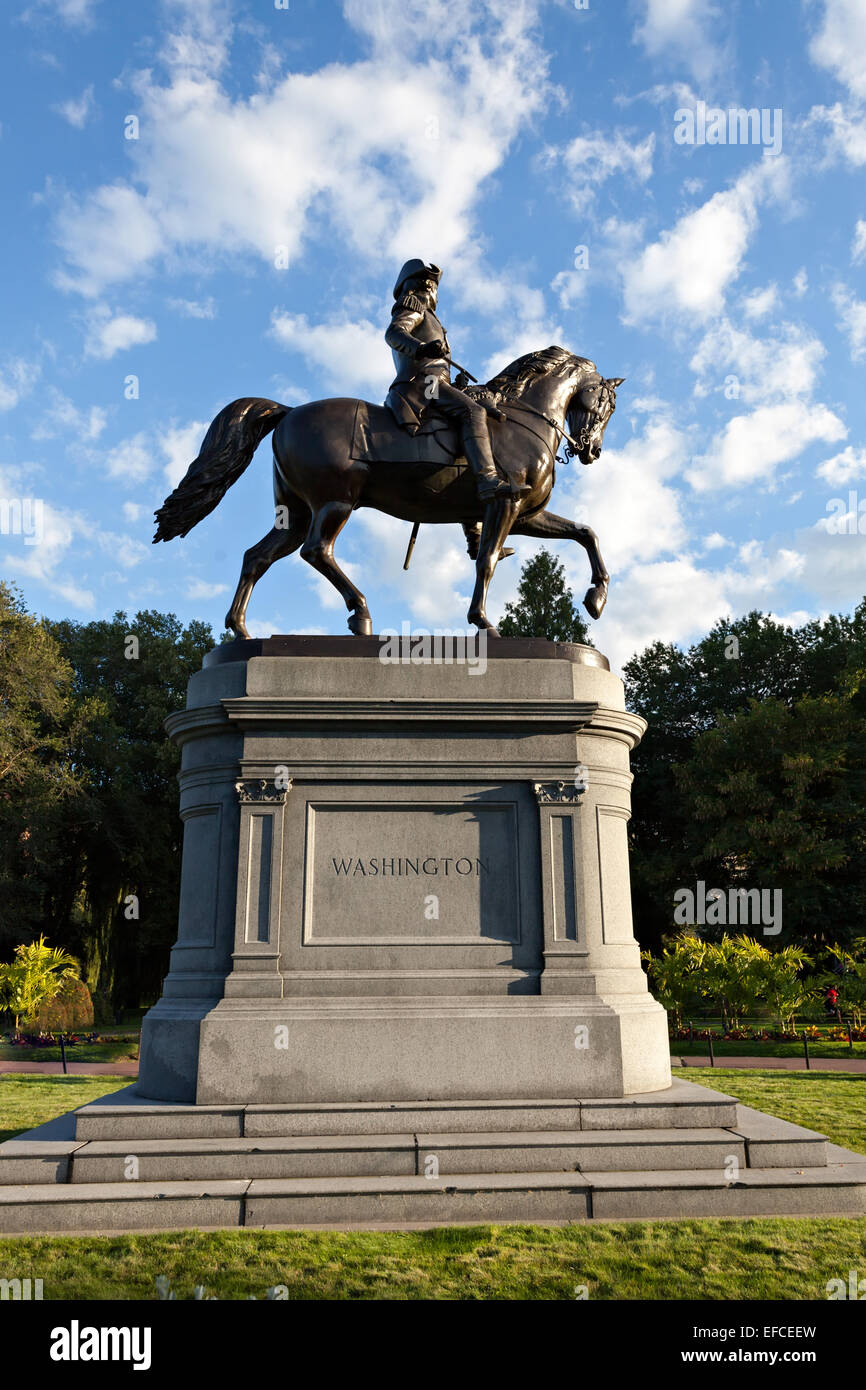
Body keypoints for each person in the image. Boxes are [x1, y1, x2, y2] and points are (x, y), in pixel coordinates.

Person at [384, 259, 527, 502]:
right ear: (413, 287)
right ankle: (487, 480)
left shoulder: (431, 318)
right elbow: (394, 333)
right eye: (426, 284)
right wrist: (422, 348)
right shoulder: (412, 306)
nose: (431, 289)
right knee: (473, 412)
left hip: (435, 383)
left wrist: (456, 385)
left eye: (433, 285)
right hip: (422, 384)